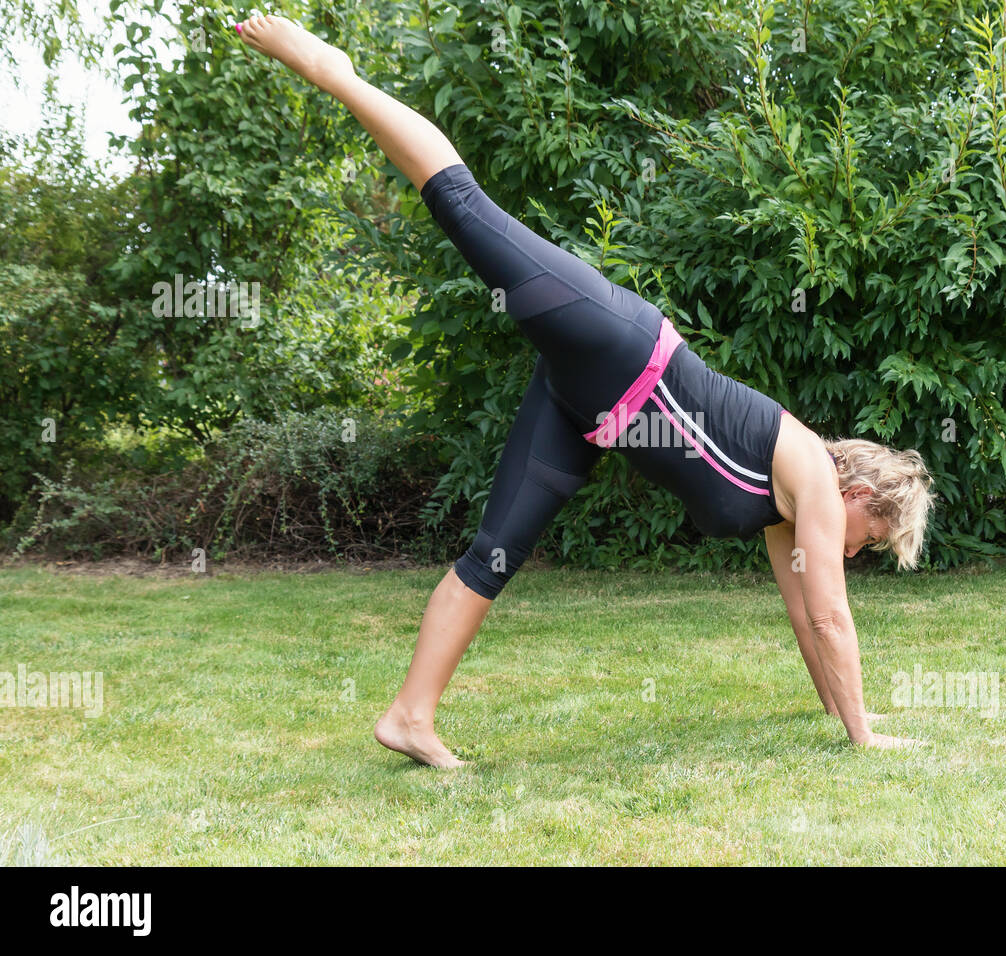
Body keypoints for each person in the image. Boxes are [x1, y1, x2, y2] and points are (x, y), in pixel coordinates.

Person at [235, 15, 937, 764]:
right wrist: (868, 738)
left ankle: (410, 716)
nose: (858, 554)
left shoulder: (786, 507)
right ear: (866, 496)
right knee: (467, 209)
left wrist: (839, 715)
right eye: (875, 541)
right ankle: (332, 68)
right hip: (621, 345)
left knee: (494, 555)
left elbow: (806, 617)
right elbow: (833, 617)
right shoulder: (819, 485)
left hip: (587, 411)